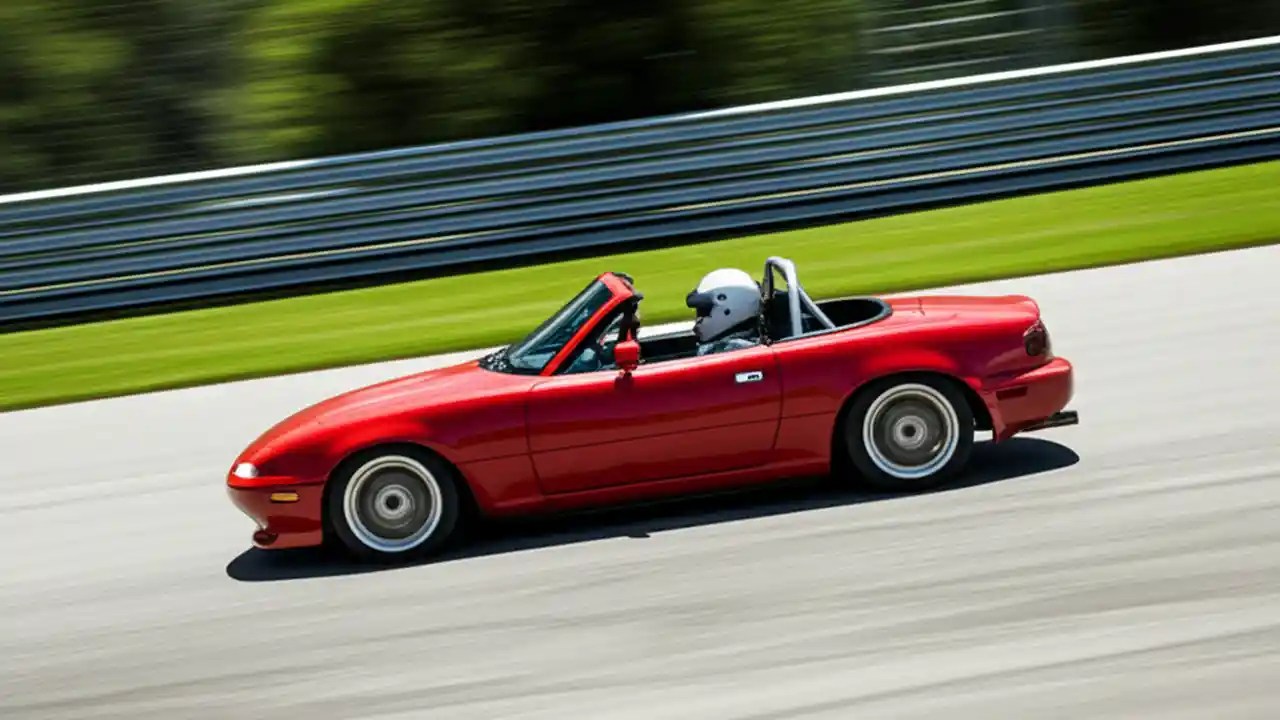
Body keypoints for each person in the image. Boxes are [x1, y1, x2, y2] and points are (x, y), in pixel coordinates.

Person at [684, 268, 763, 356]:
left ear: (728, 310)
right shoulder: (751, 346)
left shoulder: (730, 354)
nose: (698, 321)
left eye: (704, 311)